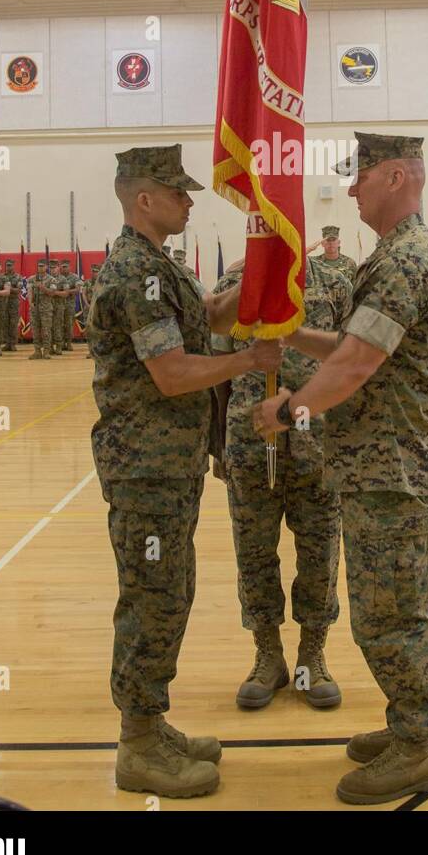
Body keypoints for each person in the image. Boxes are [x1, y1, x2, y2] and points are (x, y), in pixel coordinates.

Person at [252, 131, 428, 806]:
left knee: (387, 614)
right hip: (388, 462)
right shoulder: (403, 255)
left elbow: (353, 368)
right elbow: (352, 344)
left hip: (388, 466)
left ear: (395, 176)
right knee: (404, 603)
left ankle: (418, 747)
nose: (350, 189)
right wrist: (288, 338)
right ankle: (418, 725)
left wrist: (287, 410)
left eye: (360, 176)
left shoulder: (401, 260)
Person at [87, 145, 280, 800]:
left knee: (170, 595)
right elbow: (172, 374)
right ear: (144, 199)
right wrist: (249, 360)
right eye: (178, 193)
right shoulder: (132, 274)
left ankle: (151, 723)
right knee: (152, 602)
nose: (190, 201)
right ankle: (137, 744)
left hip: (168, 465)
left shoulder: (156, 267)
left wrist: (258, 267)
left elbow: (206, 321)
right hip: (146, 467)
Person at [213, 252, 350, 711]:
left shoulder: (334, 282)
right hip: (250, 440)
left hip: (319, 443)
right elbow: (217, 371)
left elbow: (350, 363)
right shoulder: (235, 282)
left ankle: (313, 654)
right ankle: (267, 654)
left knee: (320, 552)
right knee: (253, 551)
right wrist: (218, 444)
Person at [29, 259, 55, 359]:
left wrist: (42, 287)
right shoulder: (32, 279)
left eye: (43, 266)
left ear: (46, 267)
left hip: (46, 309)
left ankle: (46, 351)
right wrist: (30, 303)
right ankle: (37, 351)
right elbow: (30, 291)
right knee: (35, 330)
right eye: (39, 266)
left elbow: (52, 293)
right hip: (35, 308)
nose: (41, 268)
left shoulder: (51, 279)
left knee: (46, 330)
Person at [3, 258, 22, 350]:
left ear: (13, 266)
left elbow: (18, 290)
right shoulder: (2, 277)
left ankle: (13, 343)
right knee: (5, 323)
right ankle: (7, 343)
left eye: (10, 265)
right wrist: (9, 289)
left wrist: (7, 289)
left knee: (13, 324)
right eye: (7, 265)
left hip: (14, 303)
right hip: (4, 303)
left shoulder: (18, 277)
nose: (8, 267)